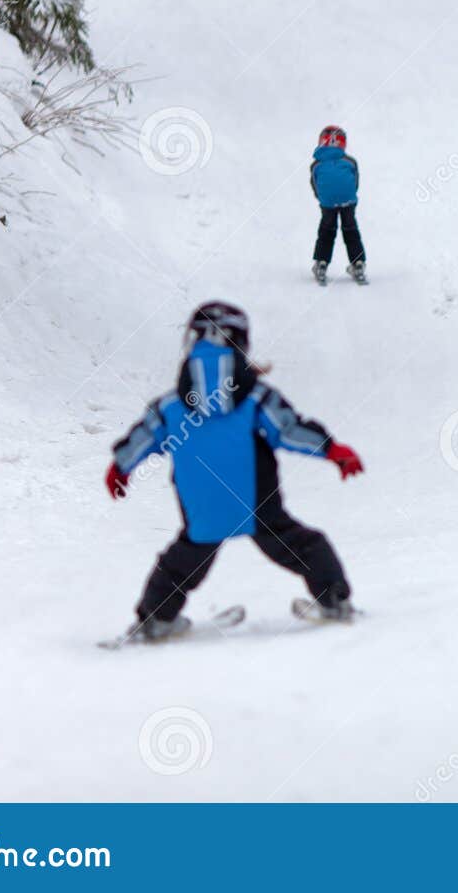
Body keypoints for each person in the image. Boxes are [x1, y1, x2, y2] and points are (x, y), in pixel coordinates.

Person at [103, 301, 365, 640]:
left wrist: (121, 466)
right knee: (304, 546)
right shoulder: (255, 397)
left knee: (182, 563)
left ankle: (155, 620)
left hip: (201, 502)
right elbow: (287, 430)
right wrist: (332, 450)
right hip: (255, 501)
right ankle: (333, 600)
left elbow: (144, 437)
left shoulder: (170, 406)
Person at [310, 126, 366, 285]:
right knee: (351, 230)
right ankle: (358, 263)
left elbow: (315, 185)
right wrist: (350, 198)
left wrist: (322, 199)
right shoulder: (350, 162)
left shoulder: (316, 165)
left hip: (327, 202)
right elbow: (355, 182)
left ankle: (321, 262)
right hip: (348, 200)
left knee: (327, 231)